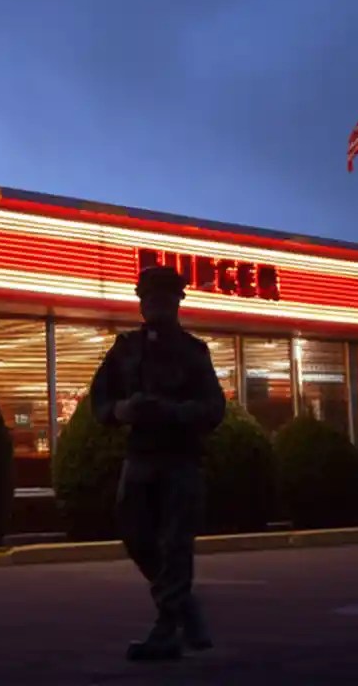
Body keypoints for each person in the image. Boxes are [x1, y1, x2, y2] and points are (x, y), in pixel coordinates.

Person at [89, 264, 227, 661]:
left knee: (175, 542)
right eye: (148, 299)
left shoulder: (193, 352)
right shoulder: (125, 349)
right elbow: (99, 401)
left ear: (177, 303)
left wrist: (172, 411)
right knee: (135, 535)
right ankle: (184, 607)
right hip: (140, 457)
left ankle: (168, 627)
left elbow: (213, 408)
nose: (154, 306)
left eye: (163, 299)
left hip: (181, 457)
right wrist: (122, 410)